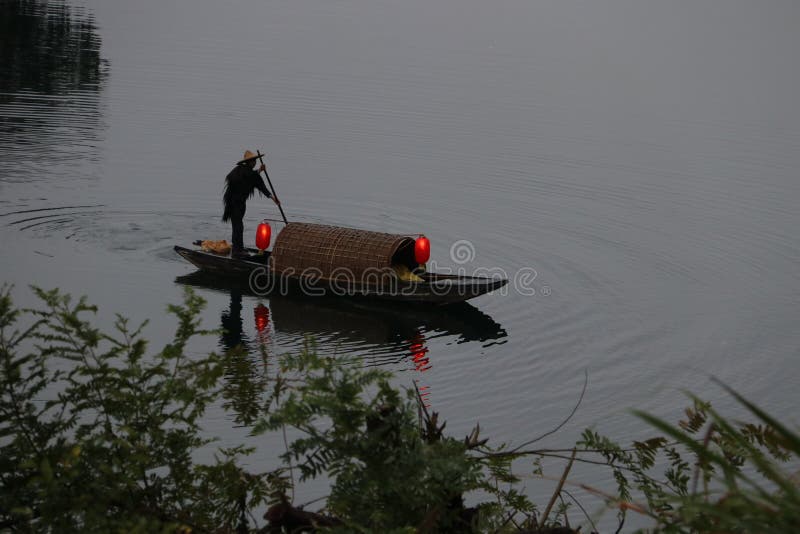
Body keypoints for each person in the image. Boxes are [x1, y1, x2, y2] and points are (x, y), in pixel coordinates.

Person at [223, 150, 280, 257]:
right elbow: (250, 178)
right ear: (248, 162)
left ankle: (238, 248)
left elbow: (257, 183)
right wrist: (259, 171)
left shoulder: (247, 172)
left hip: (240, 204)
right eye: (253, 161)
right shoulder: (240, 171)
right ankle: (237, 251)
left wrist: (273, 198)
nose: (255, 162)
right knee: (238, 226)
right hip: (234, 204)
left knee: (239, 226)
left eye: (255, 160)